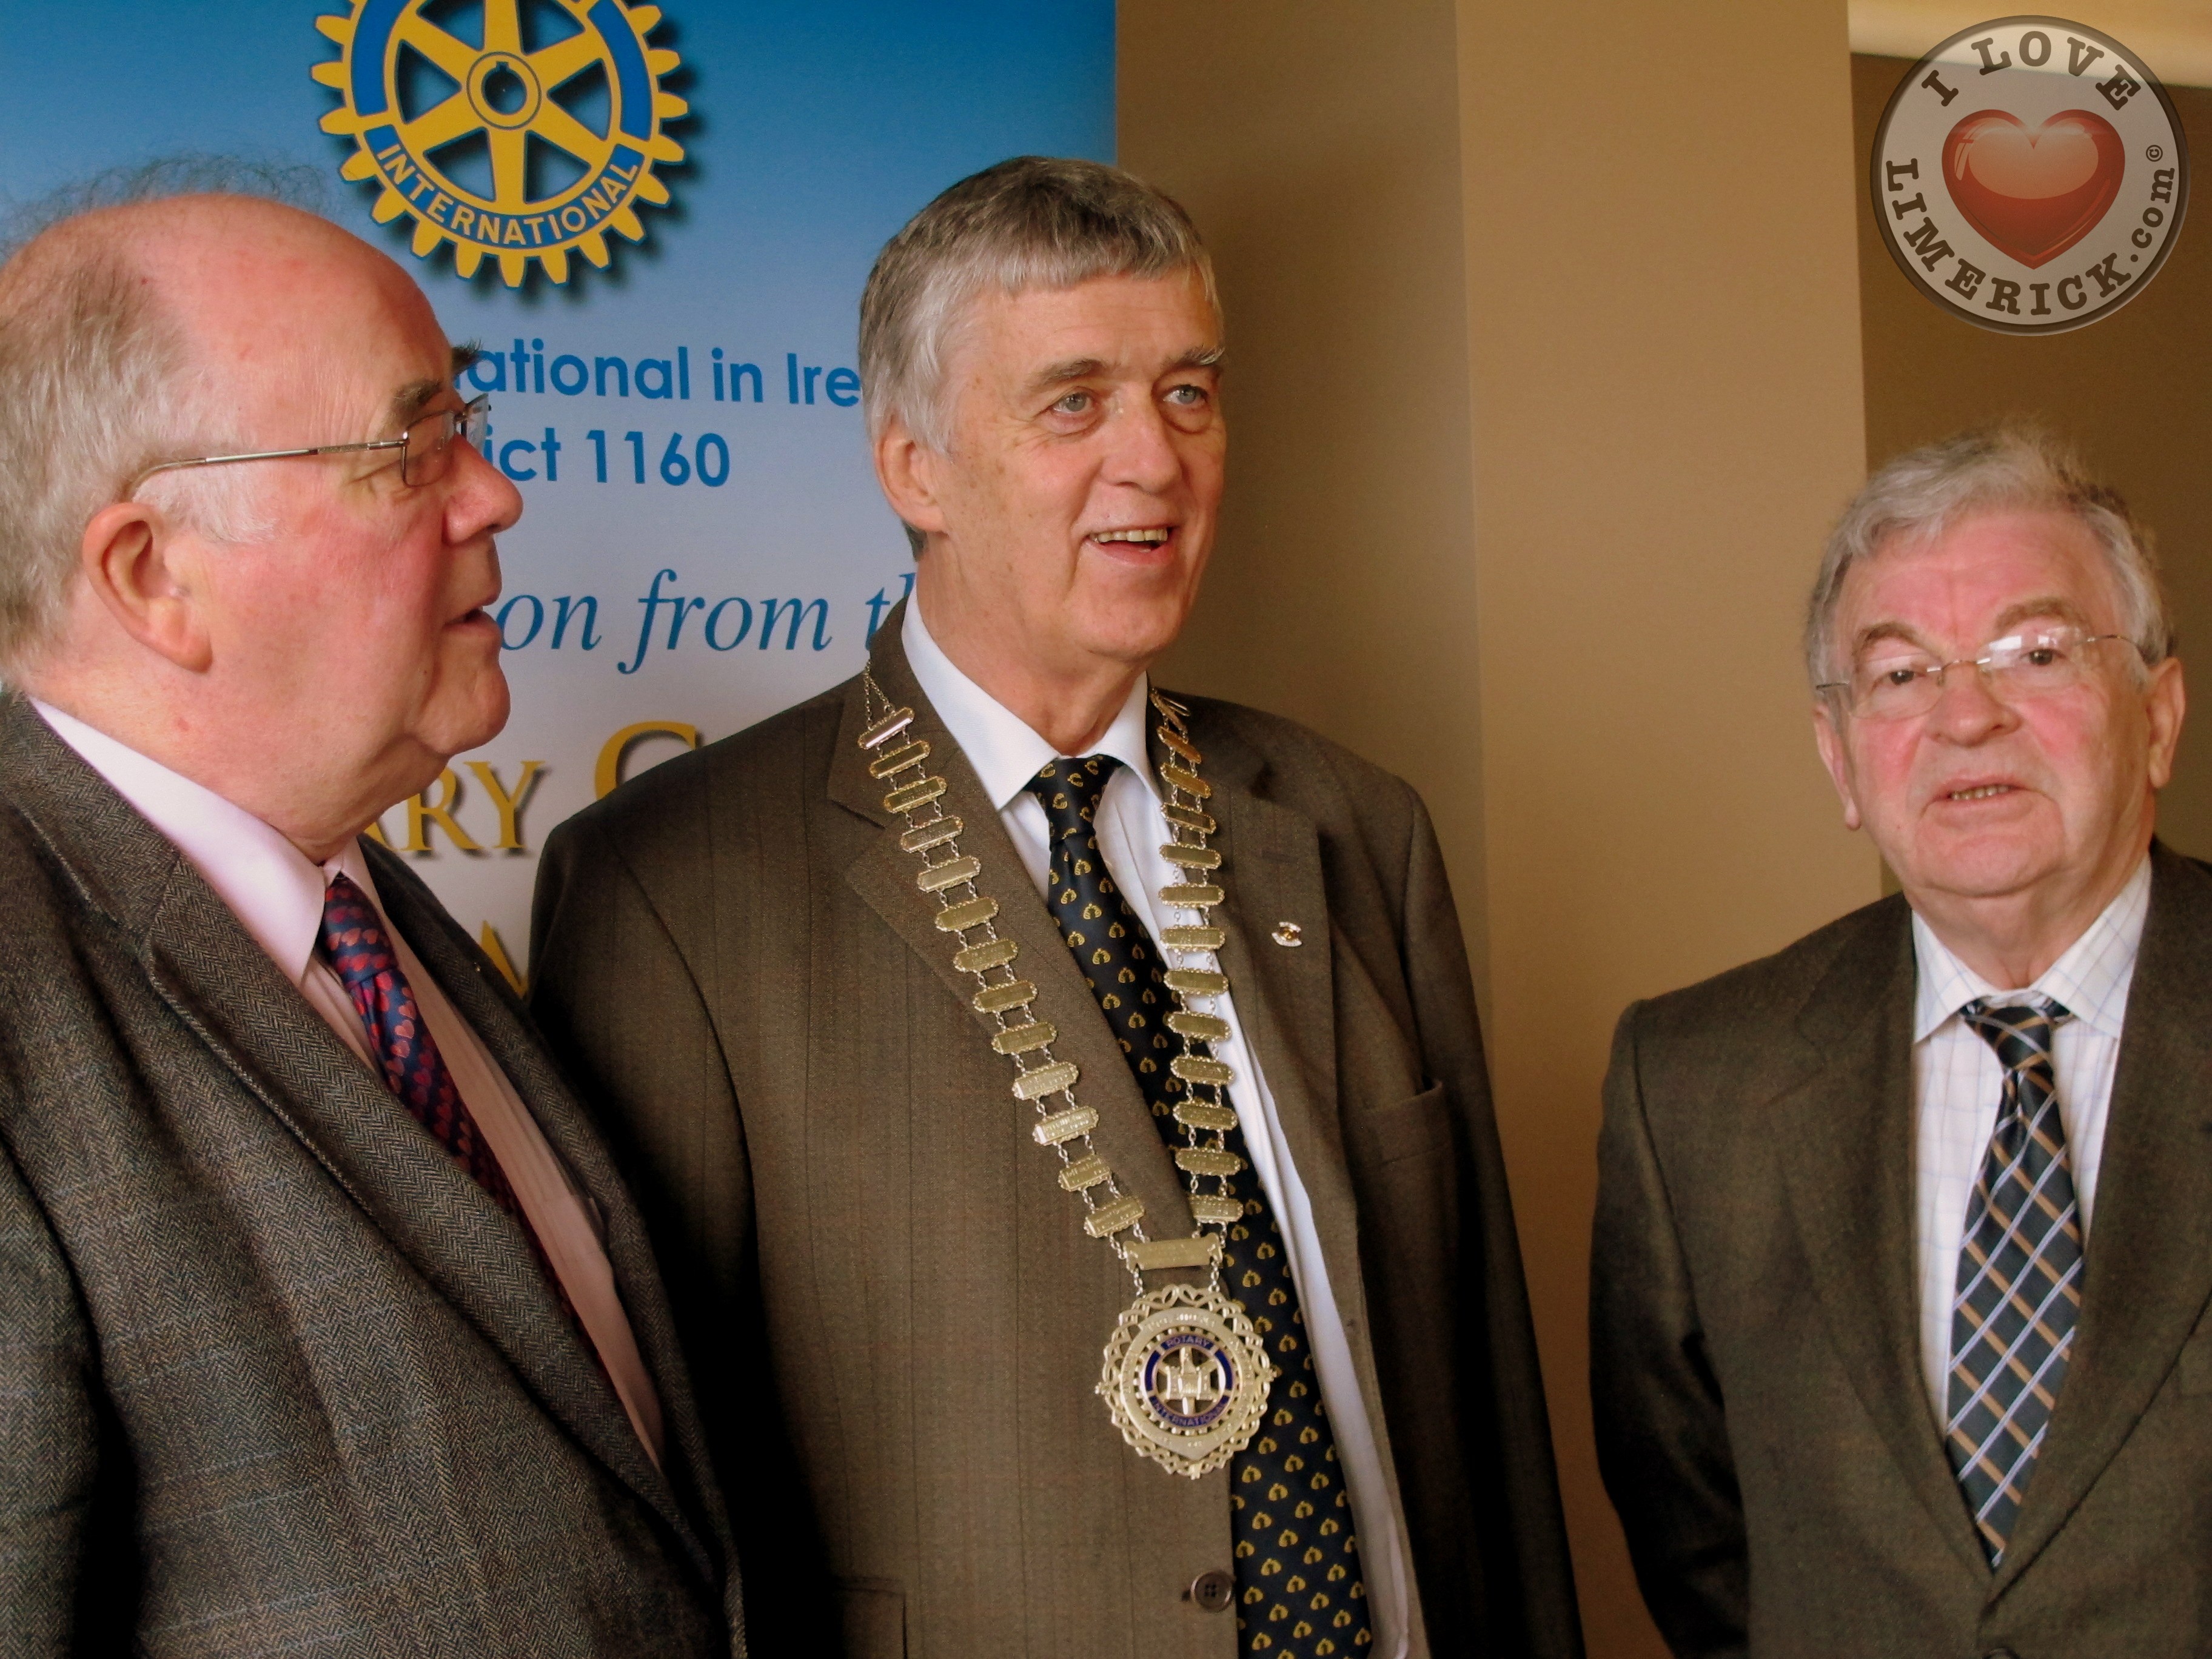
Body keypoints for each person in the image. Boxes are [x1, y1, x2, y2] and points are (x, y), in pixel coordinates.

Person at [529, 156, 1580, 1658]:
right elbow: (660, 1486)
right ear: (916, 468)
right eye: (1074, 401)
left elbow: (1483, 1397)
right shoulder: (672, 889)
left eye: (1189, 394)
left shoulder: (1355, 826)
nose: (1154, 460)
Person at [0, 186, 743, 1655]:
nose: (492, 495)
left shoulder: (377, 918)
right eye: (410, 450)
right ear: (156, 576)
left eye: (462, 425)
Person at [1590, 427, 2205, 1657]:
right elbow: (1694, 1537)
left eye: (2034, 653)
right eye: (1901, 675)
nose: (1967, 716)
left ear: (2159, 717)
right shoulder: (1695, 1083)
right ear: (1842, 759)